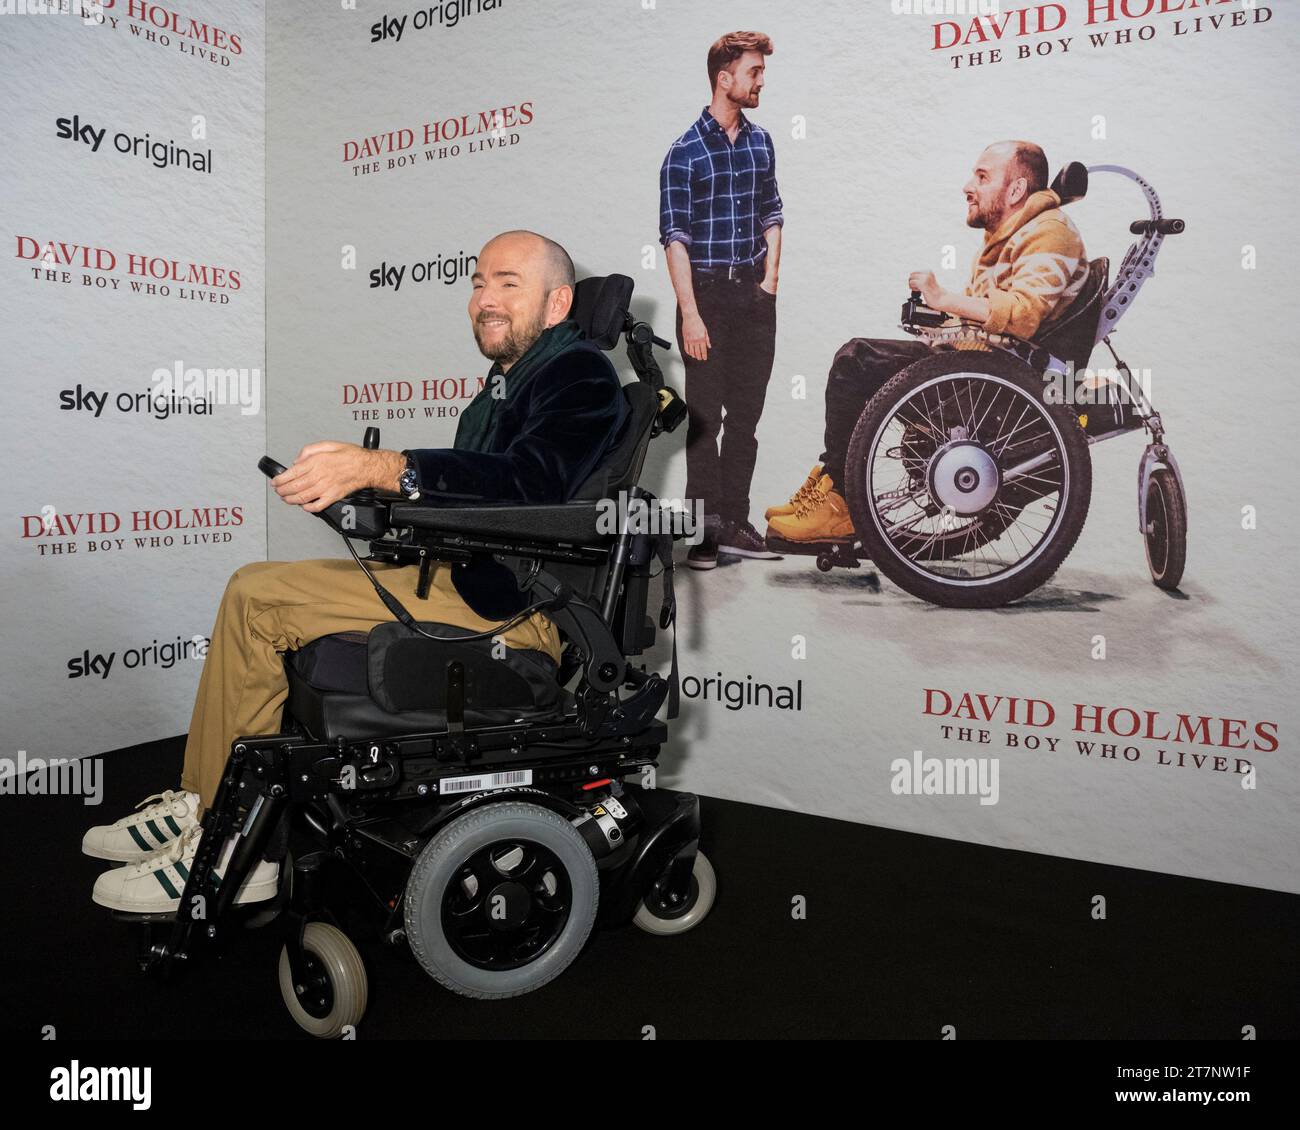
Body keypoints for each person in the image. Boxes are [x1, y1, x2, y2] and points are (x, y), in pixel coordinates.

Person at [83, 230, 630, 914]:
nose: (484, 299)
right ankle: (200, 805)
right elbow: (474, 503)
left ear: (558, 304)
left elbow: (529, 483)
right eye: (478, 282)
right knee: (253, 583)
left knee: (259, 600)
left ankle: (234, 855)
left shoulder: (581, 373)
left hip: (515, 610)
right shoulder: (503, 388)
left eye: (507, 283)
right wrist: (370, 501)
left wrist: (386, 468)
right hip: (458, 579)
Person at [765, 140, 1088, 545]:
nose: (967, 186)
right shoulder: (1011, 235)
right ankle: (830, 486)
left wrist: (944, 298)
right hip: (982, 372)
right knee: (855, 357)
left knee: (857, 361)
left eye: (982, 177)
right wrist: (941, 321)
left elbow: (1023, 313)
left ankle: (840, 503)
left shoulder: (1049, 231)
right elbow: (992, 319)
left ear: (1017, 190)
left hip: (1000, 391)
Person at [659, 29, 784, 570]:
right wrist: (690, 315)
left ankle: (735, 523)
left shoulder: (761, 142)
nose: (762, 80)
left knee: (746, 421)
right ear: (724, 77)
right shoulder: (683, 153)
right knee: (706, 420)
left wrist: (770, 284)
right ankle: (704, 535)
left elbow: (773, 214)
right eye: (754, 71)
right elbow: (675, 239)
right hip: (705, 297)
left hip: (754, 296)